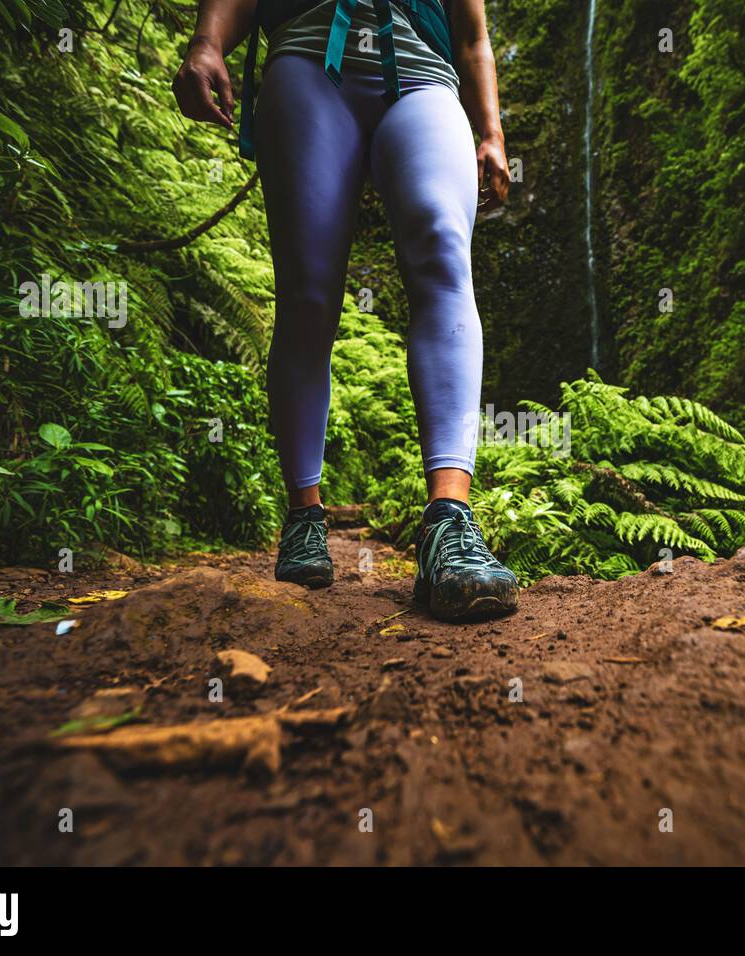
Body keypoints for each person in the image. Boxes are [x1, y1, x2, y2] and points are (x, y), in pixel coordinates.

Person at [173, 0, 519, 621]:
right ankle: (305, 514)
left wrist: (490, 132)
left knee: (443, 246)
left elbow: (472, 35)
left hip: (423, 72)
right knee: (308, 293)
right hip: (308, 58)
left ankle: (449, 521)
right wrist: (206, 42)